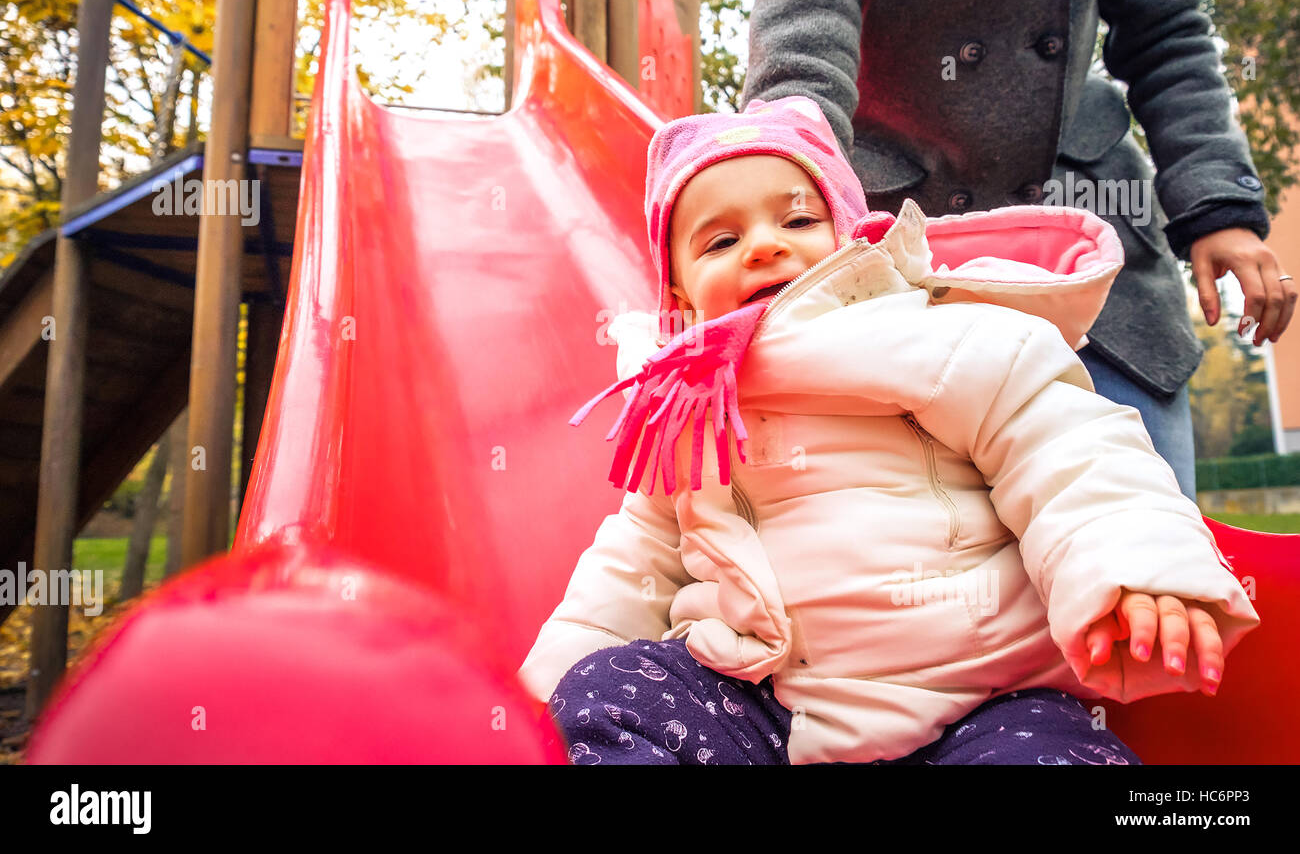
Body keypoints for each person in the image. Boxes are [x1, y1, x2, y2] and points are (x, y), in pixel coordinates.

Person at [515, 96, 1260, 765]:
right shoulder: (684, 397)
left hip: (974, 703)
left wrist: (1134, 569)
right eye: (720, 241)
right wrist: (546, 689)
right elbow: (637, 555)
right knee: (610, 689)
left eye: (798, 218)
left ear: (849, 238)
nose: (765, 246)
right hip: (762, 709)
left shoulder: (938, 337)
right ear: (677, 289)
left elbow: (1067, 449)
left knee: (1048, 755)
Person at [738, 0, 1298, 500]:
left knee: (1148, 514)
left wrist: (1217, 204)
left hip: (1093, 253)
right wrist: (776, 213)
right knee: (928, 546)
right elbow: (800, 57)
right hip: (907, 262)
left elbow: (1167, 38)